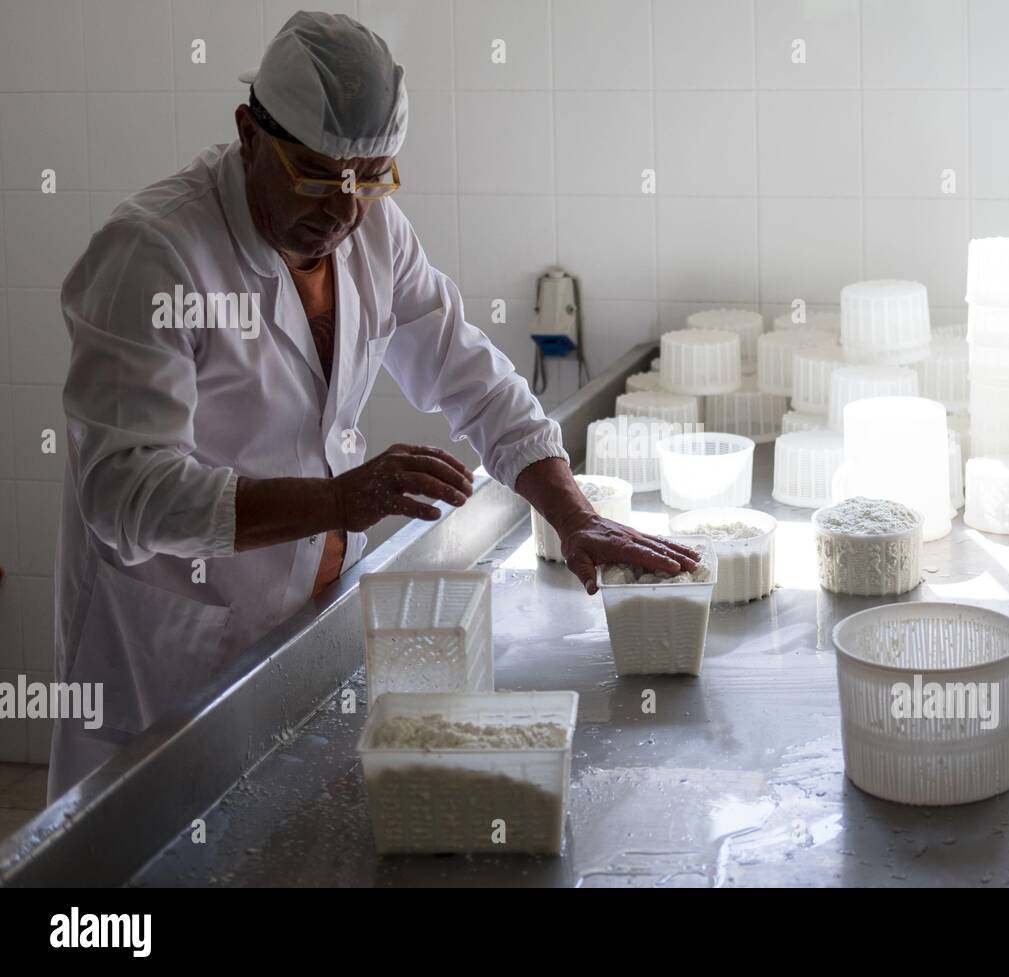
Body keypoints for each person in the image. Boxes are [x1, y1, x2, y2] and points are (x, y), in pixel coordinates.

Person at [50, 11, 696, 800]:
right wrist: (338, 500)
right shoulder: (155, 255)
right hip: (172, 653)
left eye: (374, 176)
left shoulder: (372, 231)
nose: (346, 208)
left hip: (307, 620)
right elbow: (124, 492)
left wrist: (572, 511)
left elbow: (470, 372)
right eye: (319, 176)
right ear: (250, 133)